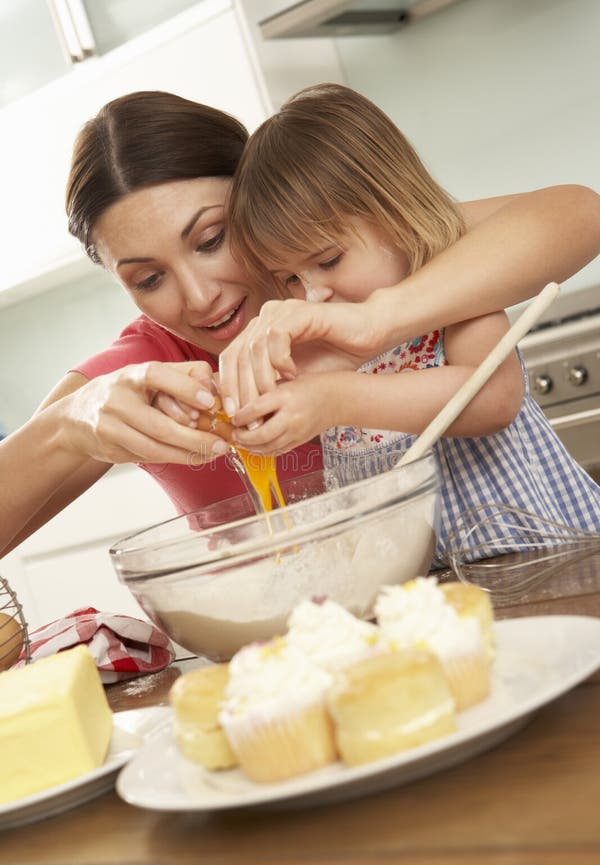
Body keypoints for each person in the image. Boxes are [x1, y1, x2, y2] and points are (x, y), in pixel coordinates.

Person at [1, 89, 599, 563]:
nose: (200, 297)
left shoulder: (384, 257)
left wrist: (374, 322)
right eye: (147, 279)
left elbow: (578, 213)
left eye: (213, 239)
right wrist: (69, 424)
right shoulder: (147, 369)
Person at [217, 83, 600, 566]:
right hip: (424, 592)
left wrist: (335, 398)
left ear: (395, 210)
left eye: (329, 260)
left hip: (535, 566)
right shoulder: (319, 331)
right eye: (290, 278)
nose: (313, 293)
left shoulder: (454, 286)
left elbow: (494, 400)